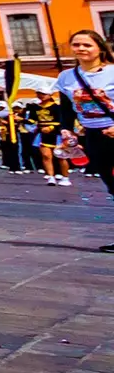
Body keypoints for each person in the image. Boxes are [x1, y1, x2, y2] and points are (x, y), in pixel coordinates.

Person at [56, 31, 114, 253]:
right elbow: (65, 108)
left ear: (99, 48)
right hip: (93, 135)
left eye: (87, 45)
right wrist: (66, 130)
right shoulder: (66, 77)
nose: (81, 48)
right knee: (111, 184)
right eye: (76, 44)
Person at [32, 92, 69, 185]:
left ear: (49, 95)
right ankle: (51, 177)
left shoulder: (57, 107)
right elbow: (32, 119)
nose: (41, 96)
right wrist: (18, 119)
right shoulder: (35, 107)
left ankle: (65, 177)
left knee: (61, 157)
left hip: (56, 134)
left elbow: (61, 121)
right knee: (46, 156)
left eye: (44, 94)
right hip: (42, 133)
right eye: (39, 94)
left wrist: (51, 127)